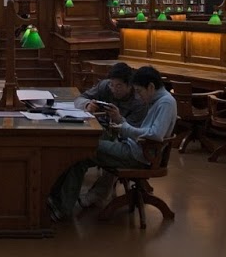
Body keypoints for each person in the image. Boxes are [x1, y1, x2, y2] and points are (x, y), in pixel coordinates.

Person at [48, 65, 177, 221]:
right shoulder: (159, 100)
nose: (139, 95)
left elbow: (155, 135)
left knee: (83, 152)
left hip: (139, 155)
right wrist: (122, 125)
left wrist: (124, 127)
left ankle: (62, 207)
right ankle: (58, 200)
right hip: (136, 148)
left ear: (150, 87)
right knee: (81, 153)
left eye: (140, 91)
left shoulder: (165, 103)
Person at [74, 62, 146, 125]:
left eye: (118, 86)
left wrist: (119, 119)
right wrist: (87, 104)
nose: (114, 90)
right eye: (111, 85)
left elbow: (134, 130)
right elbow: (79, 99)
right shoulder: (105, 86)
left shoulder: (139, 101)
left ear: (130, 85)